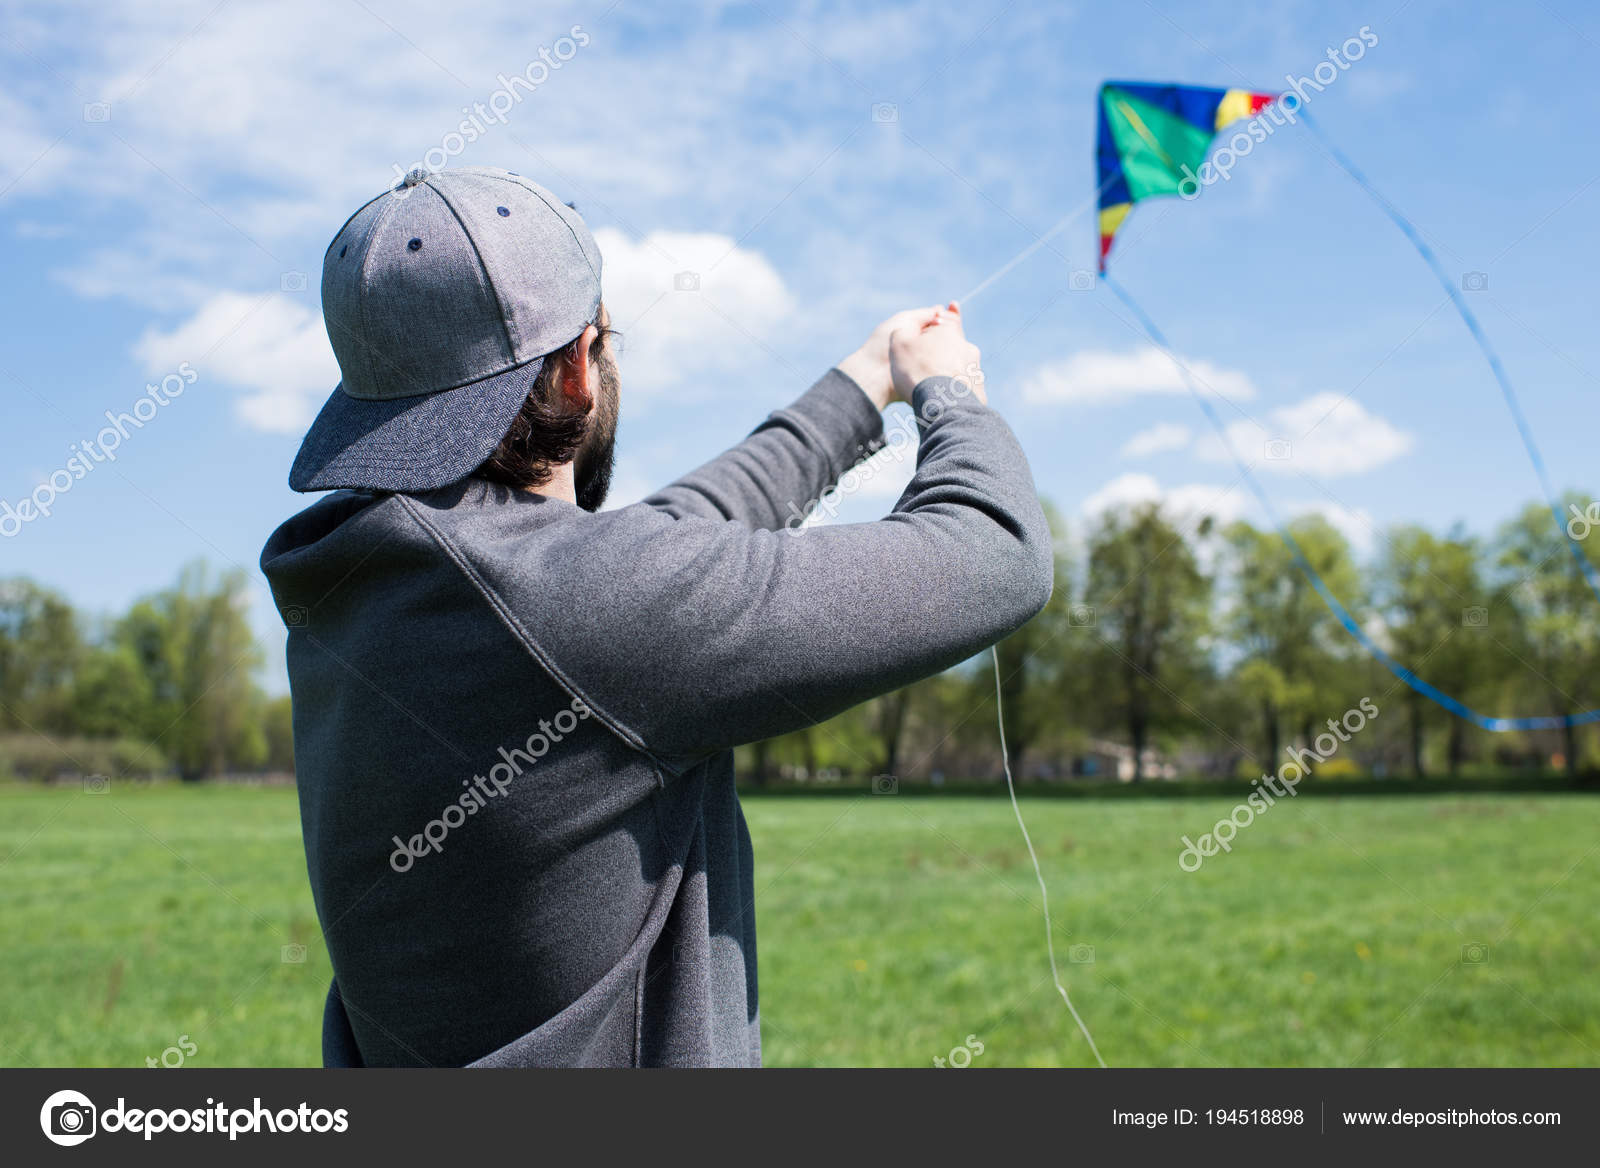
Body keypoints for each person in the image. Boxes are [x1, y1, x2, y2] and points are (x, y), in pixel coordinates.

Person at [261, 166, 1053, 1067]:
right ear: (575, 370)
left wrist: (865, 380)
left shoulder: (357, 589)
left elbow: (663, 542)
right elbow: (995, 550)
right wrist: (949, 391)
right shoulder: (584, 603)